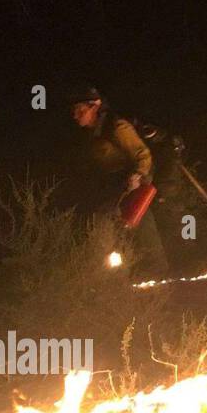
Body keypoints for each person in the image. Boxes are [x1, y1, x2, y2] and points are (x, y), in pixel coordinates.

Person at [70, 86, 168, 278]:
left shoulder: (116, 127)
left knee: (137, 219)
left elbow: (142, 155)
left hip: (132, 182)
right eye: (73, 110)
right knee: (106, 224)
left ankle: (157, 271)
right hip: (112, 185)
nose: (75, 115)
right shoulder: (89, 135)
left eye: (80, 110)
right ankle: (117, 273)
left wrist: (137, 176)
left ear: (94, 107)